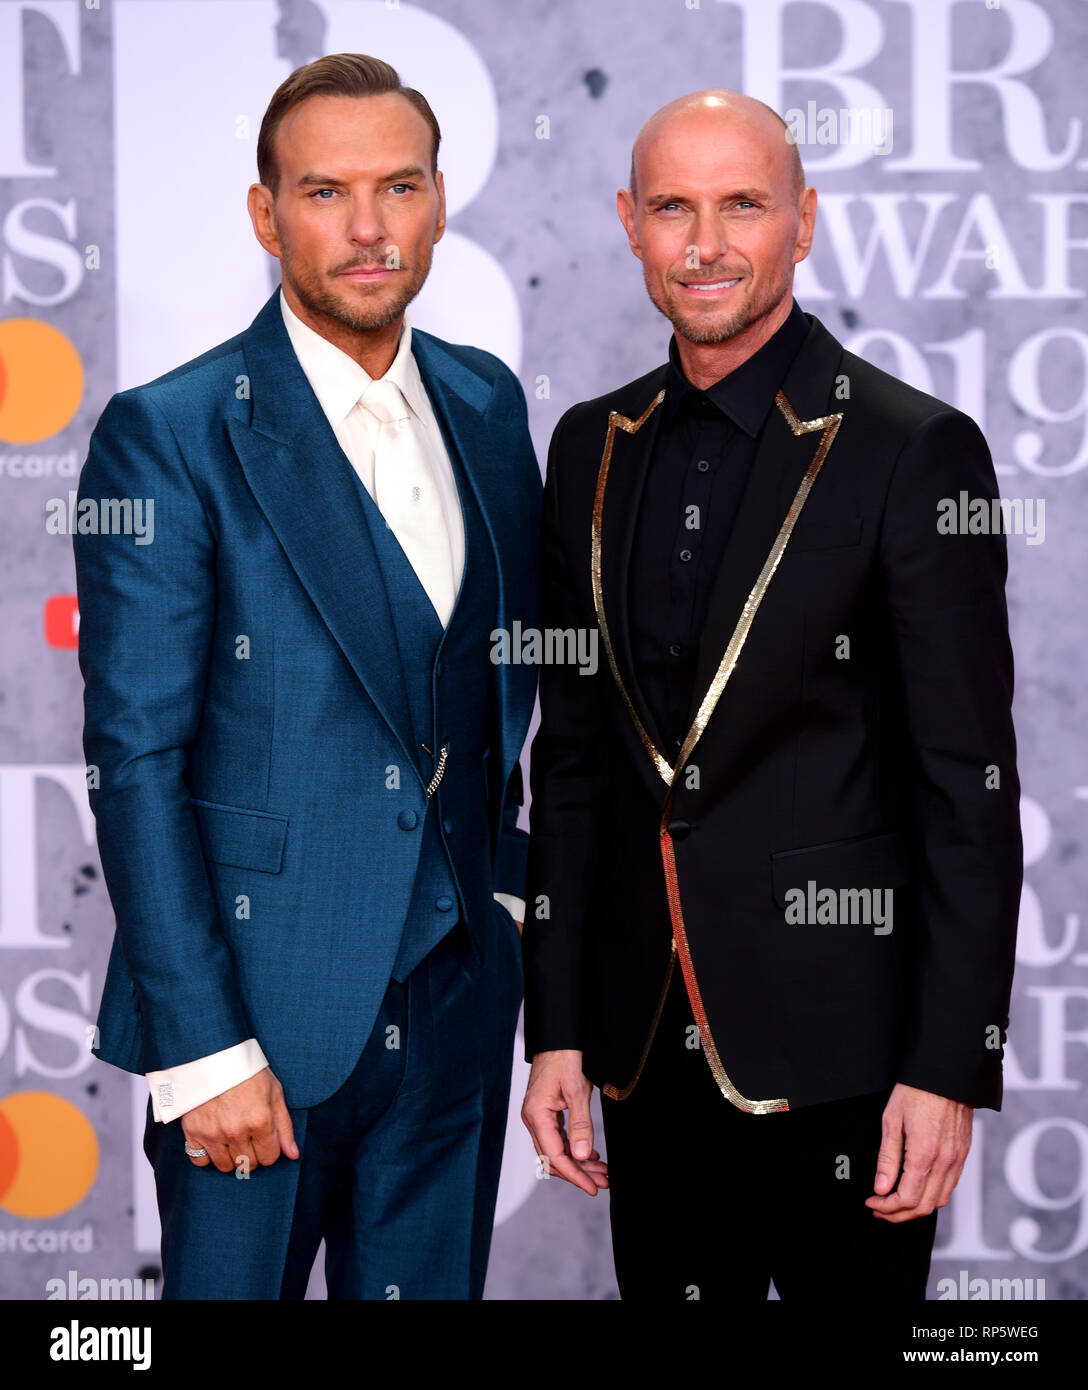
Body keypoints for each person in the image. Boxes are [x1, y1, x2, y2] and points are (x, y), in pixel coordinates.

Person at [520, 89, 1021, 1300]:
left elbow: (968, 785)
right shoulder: (590, 447)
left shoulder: (910, 447)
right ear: (629, 224)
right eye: (673, 209)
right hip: (646, 1050)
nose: (705, 244)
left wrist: (945, 1067)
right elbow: (574, 764)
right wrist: (559, 1028)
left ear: (802, 220)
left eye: (741, 204)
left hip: (849, 1061)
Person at [75, 52, 540, 1300]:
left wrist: (499, 913)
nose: (369, 226)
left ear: (440, 198)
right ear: (264, 213)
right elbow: (138, 761)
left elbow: (491, 696)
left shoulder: (488, 403)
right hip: (253, 1029)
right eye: (326, 191)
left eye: (399, 186)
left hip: (450, 1022)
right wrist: (205, 1046)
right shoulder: (167, 431)